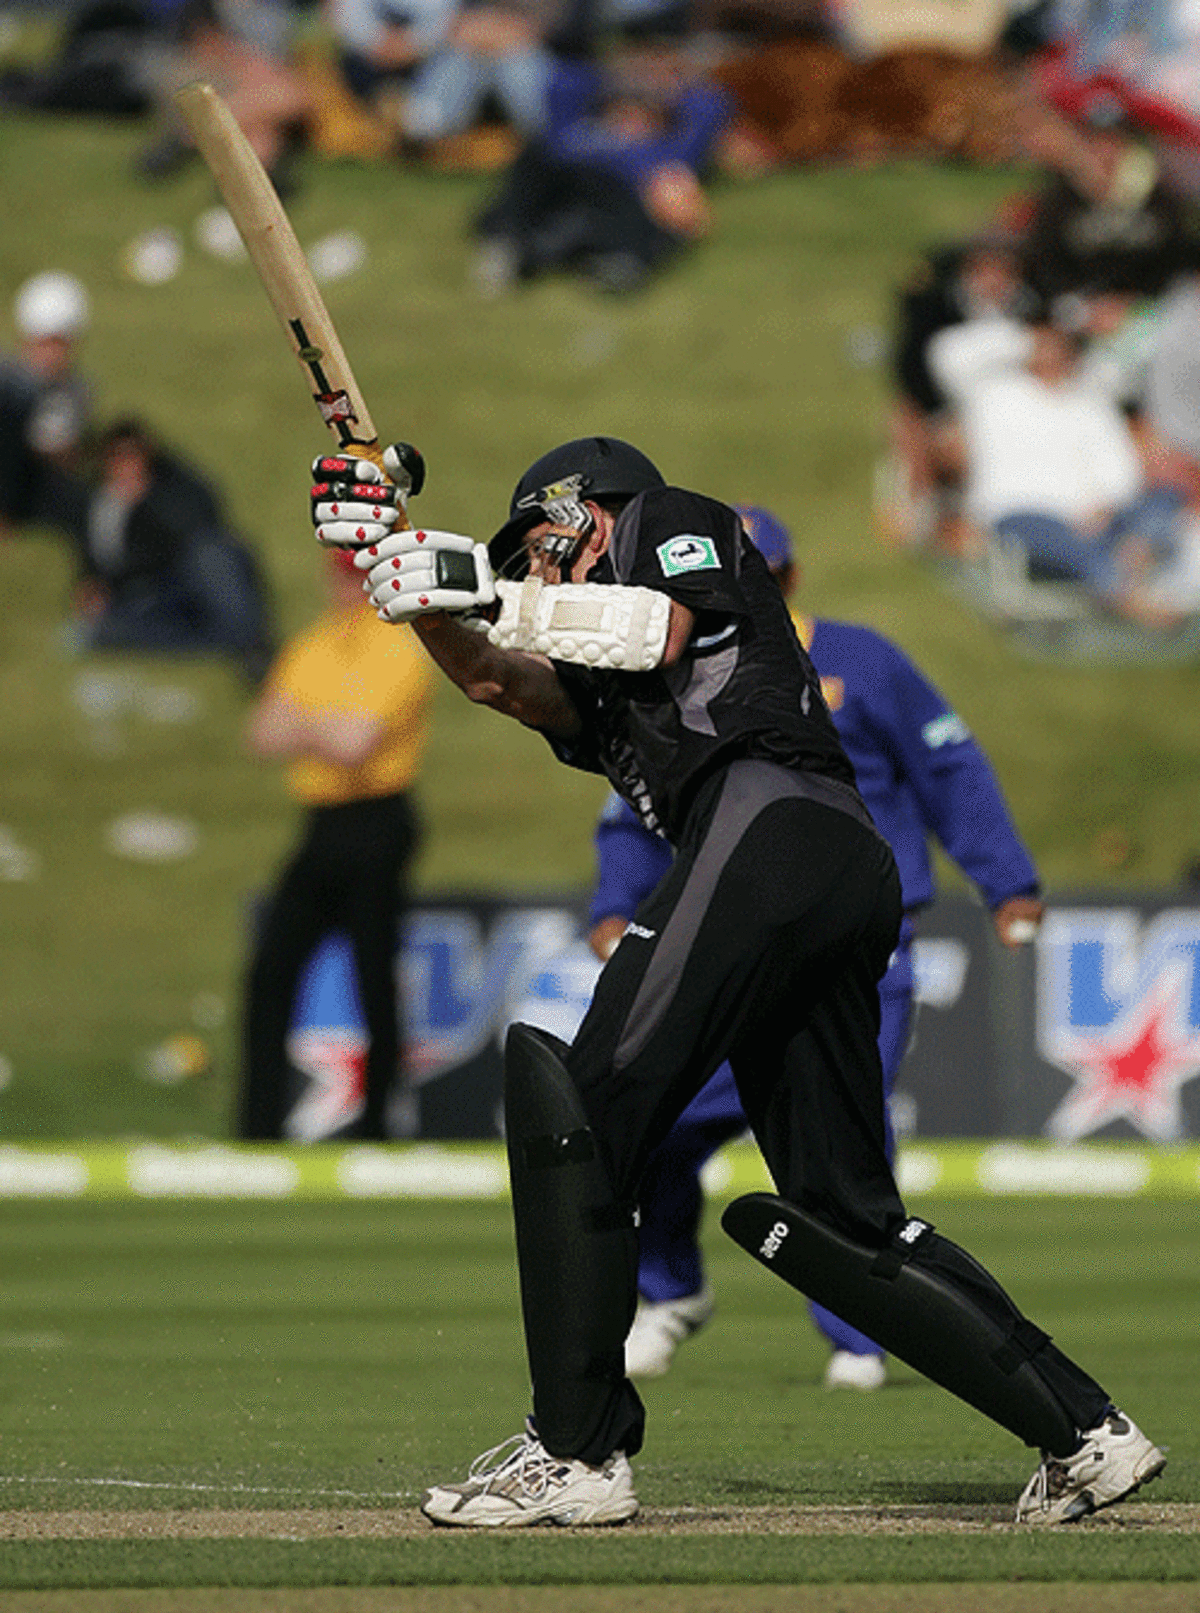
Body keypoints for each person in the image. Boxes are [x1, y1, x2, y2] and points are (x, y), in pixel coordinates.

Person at [309, 433, 1164, 1528]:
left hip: (769, 827)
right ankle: (1087, 1433)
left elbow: (653, 627)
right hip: (823, 864)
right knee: (845, 1220)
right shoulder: (590, 660)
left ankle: (576, 1451)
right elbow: (494, 676)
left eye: (536, 545)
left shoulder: (666, 517)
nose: (530, 570)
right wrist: (398, 570)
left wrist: (475, 585)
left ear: (582, 510)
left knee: (583, 1116)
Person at [586, 503, 1044, 1386]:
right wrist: (616, 899)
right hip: (728, 939)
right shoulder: (673, 675)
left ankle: (856, 1334)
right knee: (658, 1121)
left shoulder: (861, 662)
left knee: (839, 1144)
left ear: (785, 578)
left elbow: (948, 763)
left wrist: (1008, 879)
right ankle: (669, 1290)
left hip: (856, 943)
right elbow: (639, 800)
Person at [238, 538, 433, 1140]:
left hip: (378, 818)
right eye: (338, 575)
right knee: (271, 970)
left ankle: (377, 1124)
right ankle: (257, 1127)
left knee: (375, 975)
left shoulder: (397, 647)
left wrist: (305, 724)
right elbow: (261, 733)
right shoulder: (313, 644)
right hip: (322, 822)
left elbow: (356, 744)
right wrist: (328, 727)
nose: (343, 588)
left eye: (354, 578)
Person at [928, 310, 1186, 625]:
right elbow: (947, 355)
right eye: (1044, 345)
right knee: (1063, 541)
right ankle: (1124, 590)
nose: (1052, 353)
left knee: (1165, 498)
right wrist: (1021, 338)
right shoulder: (993, 393)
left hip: (1094, 516)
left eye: (1060, 345)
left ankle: (1131, 562)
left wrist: (1104, 507)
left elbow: (1120, 468)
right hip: (1019, 512)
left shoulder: (1089, 400)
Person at [70, 417, 276, 684]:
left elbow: (198, 526)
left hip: (186, 580)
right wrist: (92, 585)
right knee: (107, 630)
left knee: (215, 556)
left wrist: (144, 503)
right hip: (143, 597)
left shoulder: (172, 486)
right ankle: (234, 641)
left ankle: (249, 642)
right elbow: (96, 558)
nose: (127, 465)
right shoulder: (97, 502)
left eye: (133, 456)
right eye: (118, 457)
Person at [0, 271, 93, 544]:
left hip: (36, 491)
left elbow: (65, 456)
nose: (51, 353)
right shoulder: (7, 383)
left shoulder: (75, 391)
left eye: (58, 343)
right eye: (44, 342)